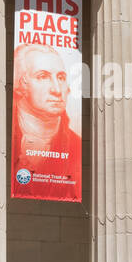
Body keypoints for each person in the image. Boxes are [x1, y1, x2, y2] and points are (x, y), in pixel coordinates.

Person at [11, 42, 83, 193]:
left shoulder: (77, 145)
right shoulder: (4, 135)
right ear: (20, 84)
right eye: (42, 76)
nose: (57, 90)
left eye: (61, 77)